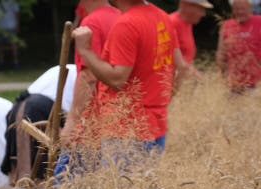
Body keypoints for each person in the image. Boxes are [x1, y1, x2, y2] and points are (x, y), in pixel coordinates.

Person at [71, 0, 184, 167]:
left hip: (125, 130)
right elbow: (180, 68)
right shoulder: (162, 17)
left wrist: (85, 50)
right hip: (156, 125)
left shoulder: (127, 24)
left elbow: (117, 79)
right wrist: (161, 103)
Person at [55, 0, 120, 179]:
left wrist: (71, 122)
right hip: (113, 121)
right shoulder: (119, 16)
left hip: (88, 127)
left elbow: (88, 77)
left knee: (64, 188)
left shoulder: (91, 23)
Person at [217, 0, 261, 92]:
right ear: (233, 10)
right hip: (234, 84)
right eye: (237, 9)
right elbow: (221, 53)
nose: (240, 12)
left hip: (257, 84)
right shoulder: (226, 25)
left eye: (243, 8)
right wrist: (224, 75)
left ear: (250, 8)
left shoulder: (259, 22)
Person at [169, 0, 212, 73]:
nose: (203, 14)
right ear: (186, 5)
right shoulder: (171, 23)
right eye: (200, 8)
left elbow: (185, 57)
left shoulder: (188, 24)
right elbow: (169, 58)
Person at [0, 0, 20, 68]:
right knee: (0, 45)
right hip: (0, 27)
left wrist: (17, 25)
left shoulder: (13, 1)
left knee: (13, 44)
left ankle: (15, 62)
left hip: (11, 26)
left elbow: (16, 13)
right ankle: (1, 62)